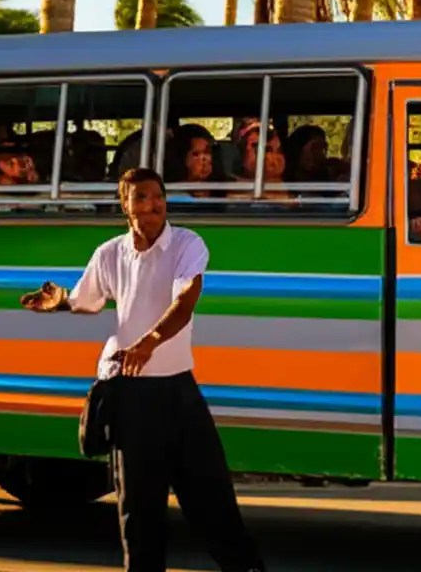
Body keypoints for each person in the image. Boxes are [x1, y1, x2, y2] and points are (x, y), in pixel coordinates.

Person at [18, 167, 266, 572]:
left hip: (178, 391)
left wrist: (151, 340)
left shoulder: (187, 244)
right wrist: (60, 301)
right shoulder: (110, 253)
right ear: (125, 206)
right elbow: (87, 300)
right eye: (141, 198)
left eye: (157, 197)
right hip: (128, 393)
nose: (152, 206)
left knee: (213, 500)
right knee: (139, 511)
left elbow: (185, 300)